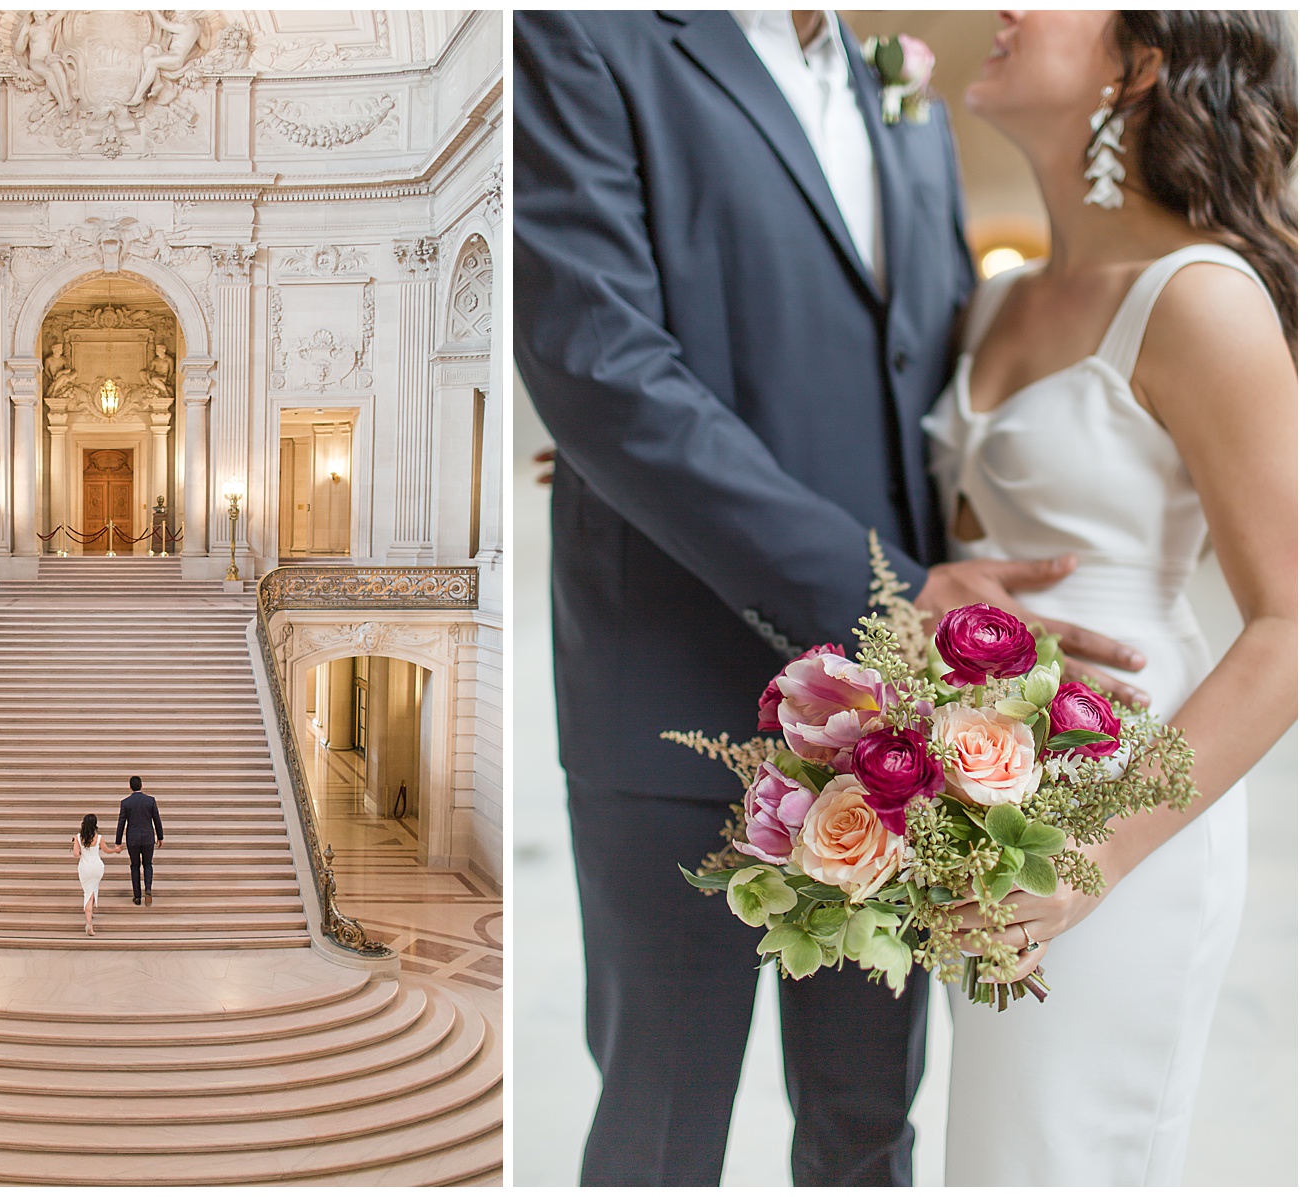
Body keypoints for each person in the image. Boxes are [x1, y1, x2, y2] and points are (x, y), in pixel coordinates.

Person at [513, 9, 1149, 1187]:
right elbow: (598, 363)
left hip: (896, 730)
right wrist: (887, 596)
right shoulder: (581, 34)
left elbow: (922, 365)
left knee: (867, 1130)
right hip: (670, 682)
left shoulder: (890, 83)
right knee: (660, 1129)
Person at [924, 11, 1295, 1184]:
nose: (1008, 9)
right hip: (982, 793)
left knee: (1070, 1154)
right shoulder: (992, 302)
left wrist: (1088, 859)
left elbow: (1291, 626)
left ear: (1136, 70)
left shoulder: (1198, 296)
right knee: (994, 1156)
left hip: (1128, 803)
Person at [70, 813, 123, 936]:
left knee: (87, 894)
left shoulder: (78, 837)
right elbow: (106, 850)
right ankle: (90, 913)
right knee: (93, 889)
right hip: (97, 867)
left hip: (85, 868)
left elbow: (76, 854)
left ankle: (89, 923)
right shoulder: (98, 838)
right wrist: (116, 850)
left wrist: (76, 844)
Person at [116, 775, 164, 907]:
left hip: (133, 839)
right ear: (142, 785)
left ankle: (137, 896)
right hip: (148, 838)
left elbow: (121, 822)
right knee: (148, 864)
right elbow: (156, 820)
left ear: (130, 787)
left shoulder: (125, 803)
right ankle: (148, 888)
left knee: (135, 866)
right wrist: (160, 837)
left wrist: (118, 841)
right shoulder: (150, 801)